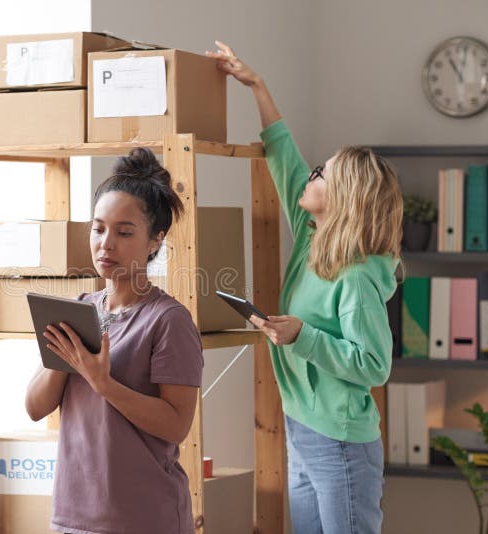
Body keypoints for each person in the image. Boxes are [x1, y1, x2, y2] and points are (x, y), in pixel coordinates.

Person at [206, 41, 403, 533]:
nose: (310, 174)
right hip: (302, 426)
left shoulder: (355, 277)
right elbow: (286, 160)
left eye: (322, 173)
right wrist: (257, 86)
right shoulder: (313, 240)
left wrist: (302, 337)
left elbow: (375, 366)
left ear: (342, 200)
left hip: (339, 440)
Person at [24, 148, 204, 534]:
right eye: (98, 228)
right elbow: (35, 407)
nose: (106, 243)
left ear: (155, 241)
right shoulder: (78, 310)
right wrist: (71, 361)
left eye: (124, 232)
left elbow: (176, 425)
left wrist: (103, 384)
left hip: (145, 520)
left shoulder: (169, 321)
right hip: (72, 516)